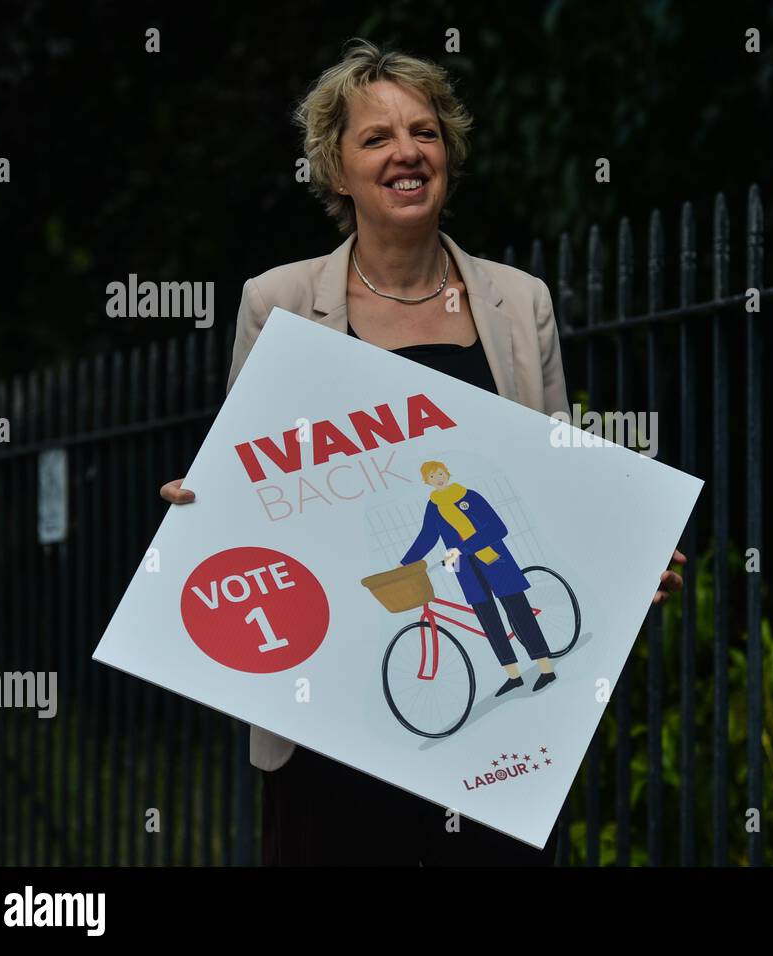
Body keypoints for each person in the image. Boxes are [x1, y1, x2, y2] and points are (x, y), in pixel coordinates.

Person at [159, 39, 685, 865]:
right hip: (330, 710)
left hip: (498, 746)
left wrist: (616, 564)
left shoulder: (520, 304)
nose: (407, 152)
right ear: (336, 170)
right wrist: (205, 505)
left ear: (448, 153)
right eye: (377, 138)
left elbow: (554, 478)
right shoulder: (280, 303)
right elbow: (254, 493)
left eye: (425, 132)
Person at [404, 460, 556, 695]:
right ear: (427, 482)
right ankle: (513, 676)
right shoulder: (433, 506)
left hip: (494, 559)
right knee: (488, 620)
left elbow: (497, 528)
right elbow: (427, 536)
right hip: (464, 568)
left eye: (440, 473)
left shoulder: (469, 496)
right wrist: (405, 564)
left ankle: (546, 669)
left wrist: (464, 548)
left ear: (448, 472)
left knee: (518, 611)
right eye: (432, 477)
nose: (438, 479)